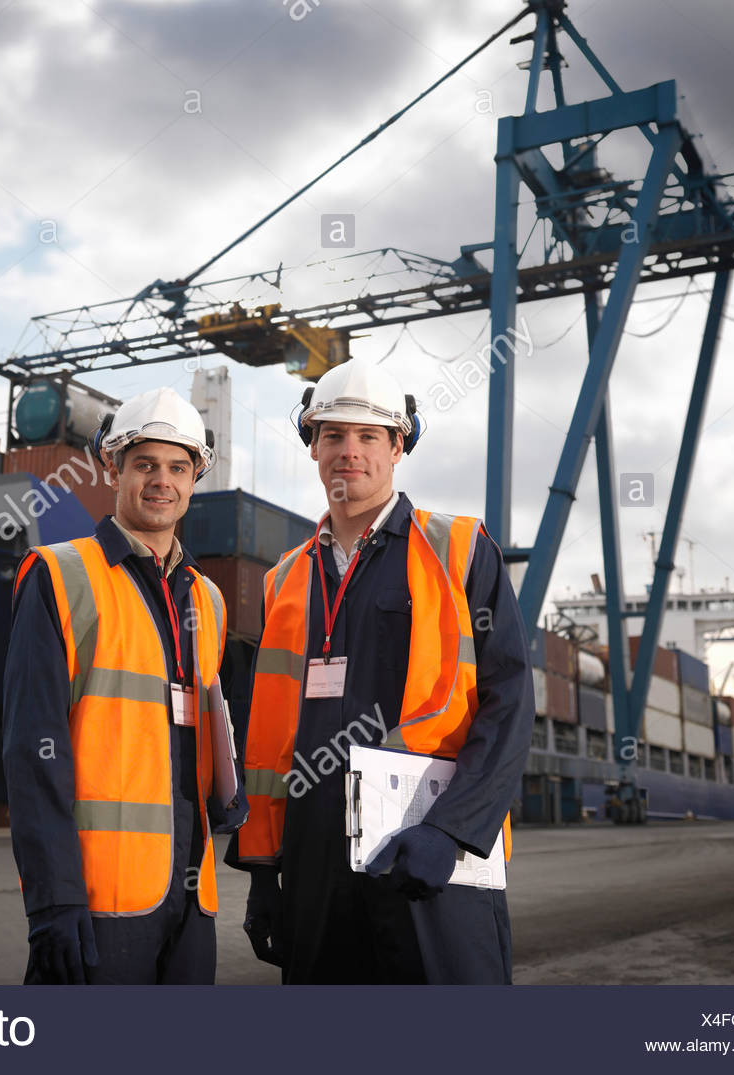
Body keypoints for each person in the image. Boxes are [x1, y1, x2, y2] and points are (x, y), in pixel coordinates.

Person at [229, 358, 535, 984]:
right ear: (312, 446)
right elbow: (265, 740)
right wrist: (264, 873)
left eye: (369, 436)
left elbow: (509, 707)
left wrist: (452, 831)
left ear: (399, 446)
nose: (350, 452)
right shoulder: (284, 580)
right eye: (333, 435)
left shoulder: (461, 550)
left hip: (429, 855)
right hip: (315, 868)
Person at [3, 386, 245, 985]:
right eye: (145, 465)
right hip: (98, 901)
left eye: (177, 468)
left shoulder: (208, 600)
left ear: (194, 480)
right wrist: (54, 898)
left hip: (191, 900)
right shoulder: (60, 575)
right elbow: (33, 752)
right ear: (112, 467)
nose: (162, 481)